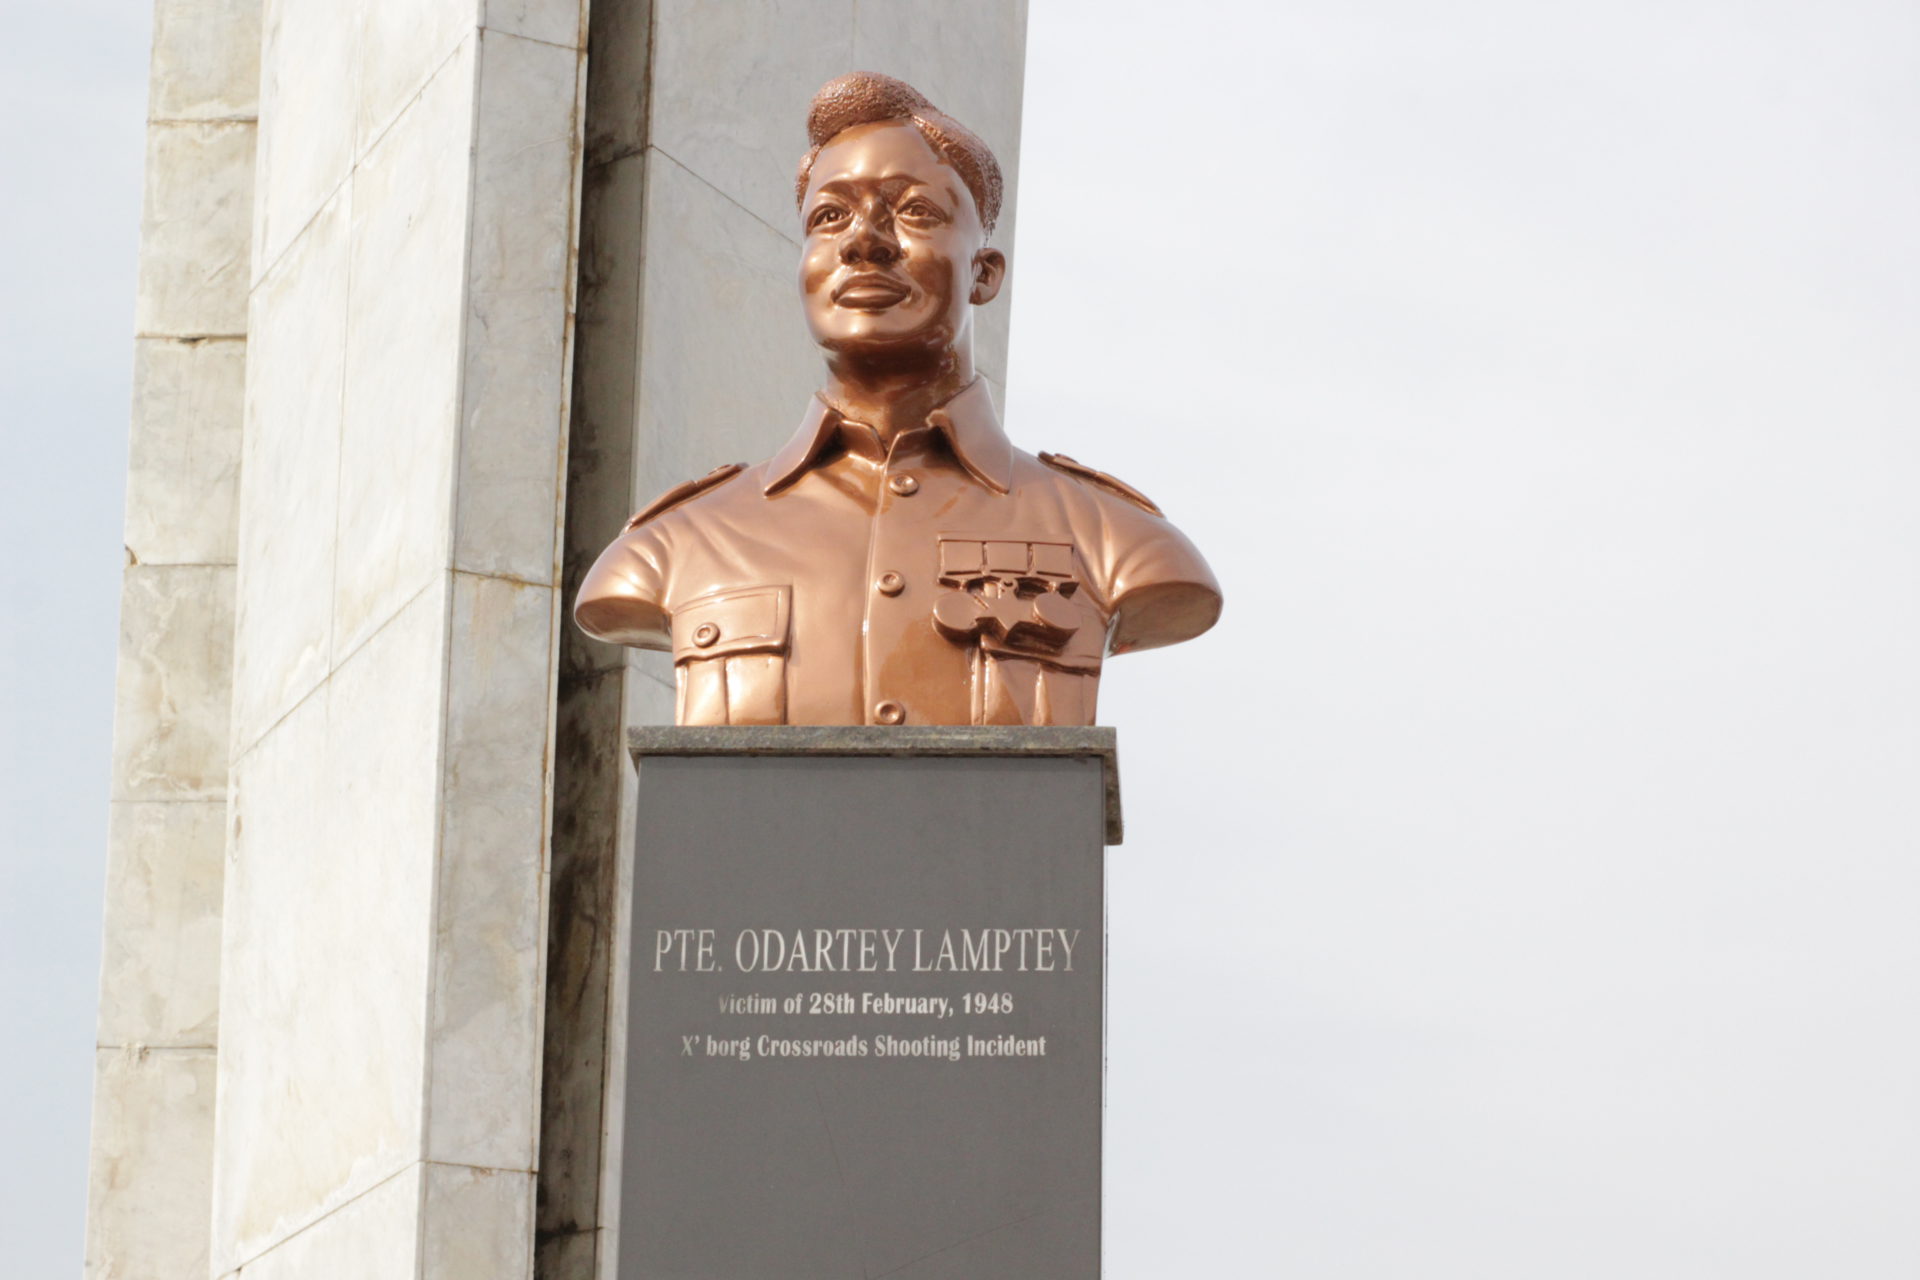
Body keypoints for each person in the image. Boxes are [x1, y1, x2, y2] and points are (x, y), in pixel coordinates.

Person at [574, 72, 1221, 726]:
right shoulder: (674, 546)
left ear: (984, 273)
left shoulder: (1112, 539)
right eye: (830, 217)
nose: (865, 241)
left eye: (914, 211)